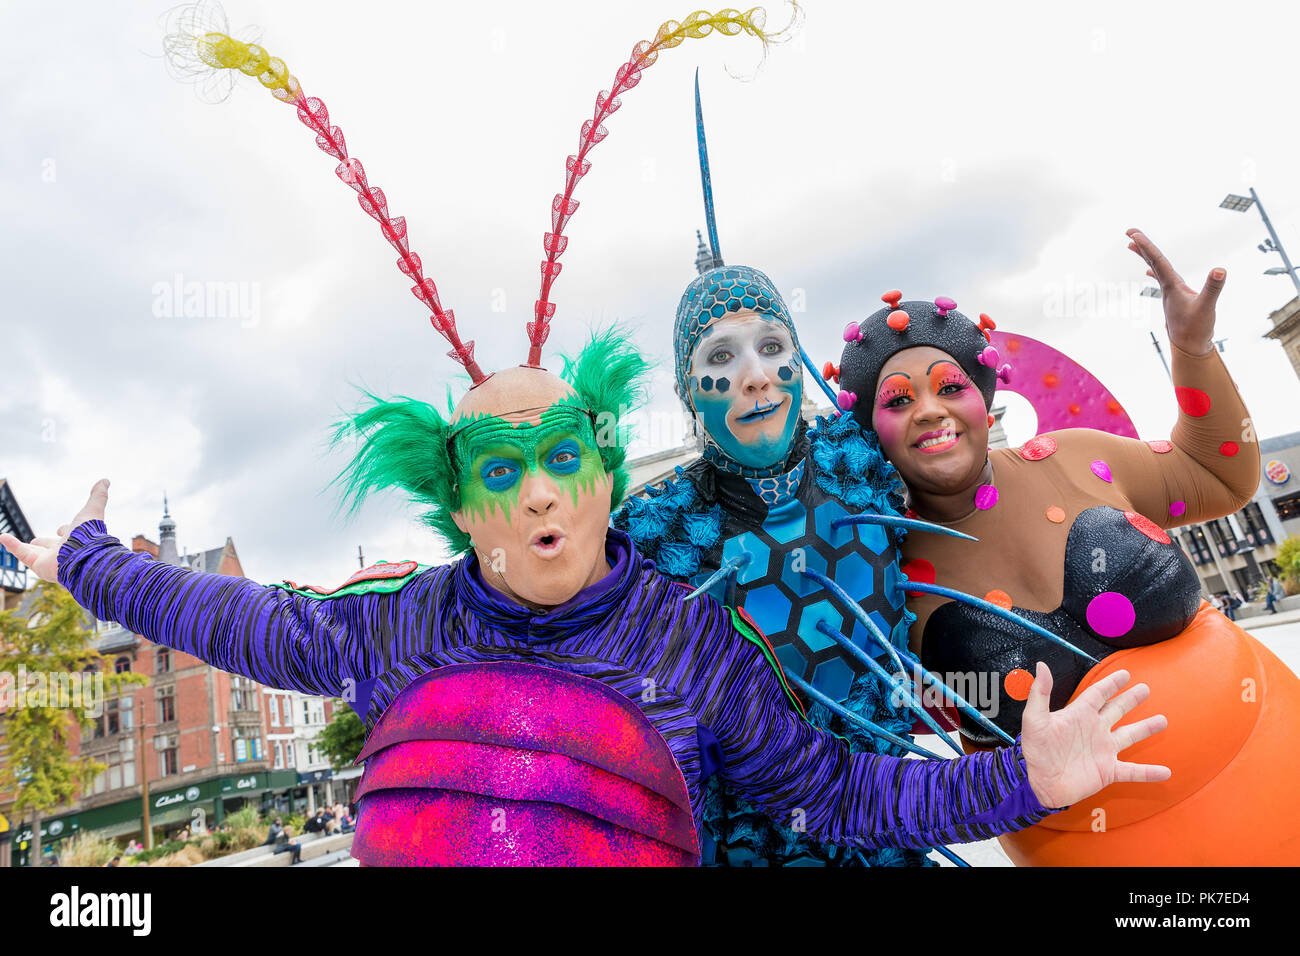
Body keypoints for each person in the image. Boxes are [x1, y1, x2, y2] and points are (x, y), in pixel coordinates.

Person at [1, 8, 1171, 866]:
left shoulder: (685, 634)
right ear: (461, 506)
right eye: (498, 471)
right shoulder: (405, 624)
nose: (536, 495)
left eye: (564, 456)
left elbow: (836, 787)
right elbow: (240, 617)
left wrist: (1026, 776)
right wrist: (88, 561)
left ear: (608, 473)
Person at [836, 228, 1300, 865]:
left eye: (950, 386)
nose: (929, 410)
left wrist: (1191, 350)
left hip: (1277, 767)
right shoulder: (874, 571)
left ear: (984, 396)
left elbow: (1223, 477)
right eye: (897, 399)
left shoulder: (1081, 459)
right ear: (869, 430)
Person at [614, 73, 963, 868]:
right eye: (720, 358)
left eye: (773, 347)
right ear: (685, 390)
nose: (756, 377)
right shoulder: (648, 527)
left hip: (889, 828)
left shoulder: (861, 457)